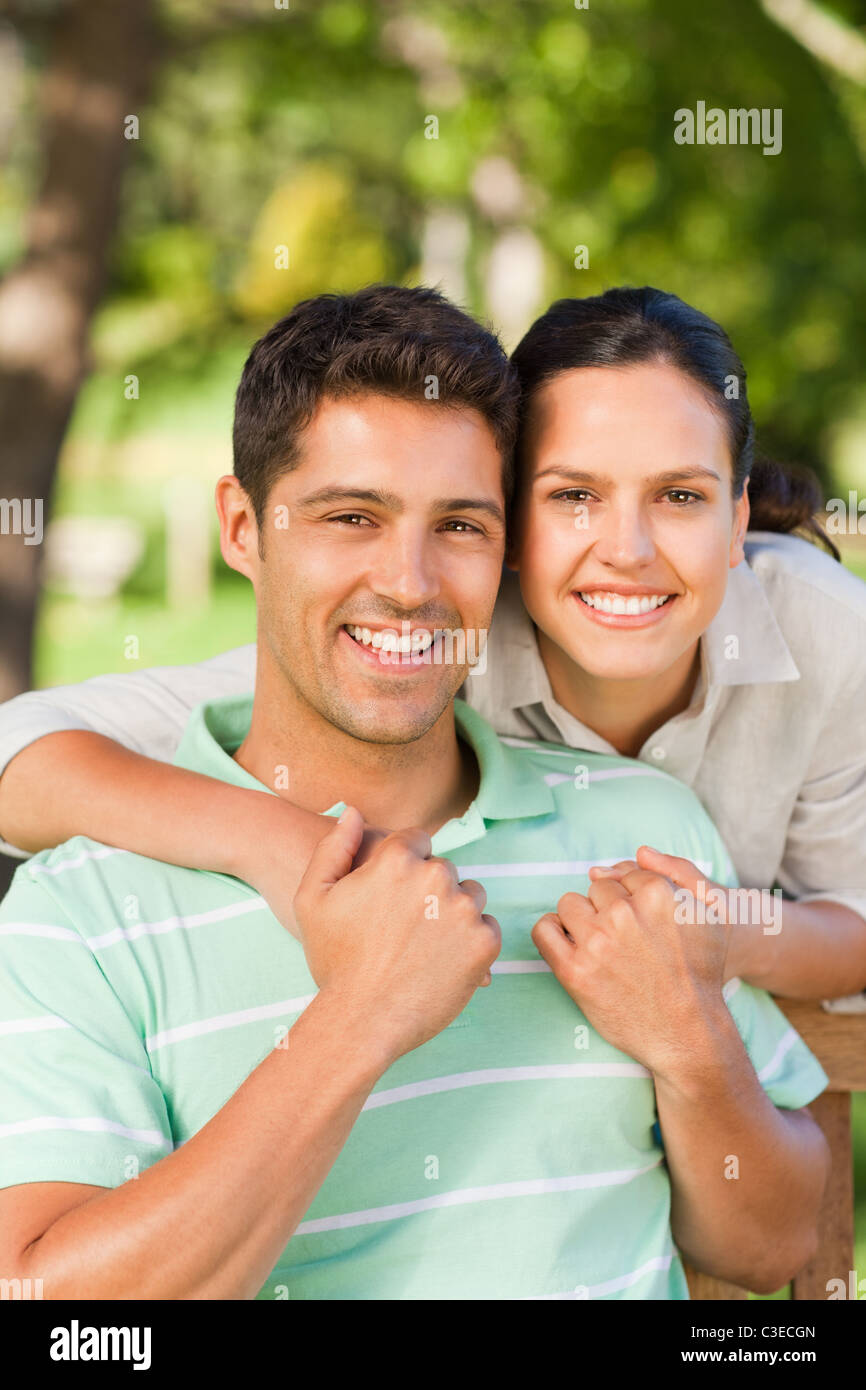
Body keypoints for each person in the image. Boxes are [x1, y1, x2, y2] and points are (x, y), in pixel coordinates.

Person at [0, 286, 829, 1299]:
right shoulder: (82, 912)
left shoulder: (644, 829)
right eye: (351, 516)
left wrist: (692, 1048)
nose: (407, 580)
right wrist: (357, 1020)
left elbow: (769, 1248)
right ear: (242, 526)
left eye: (459, 525)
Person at [1, 289, 864, 1002]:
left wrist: (728, 936)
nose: (628, 549)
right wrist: (275, 842)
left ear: (737, 517)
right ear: (510, 520)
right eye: (573, 496)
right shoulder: (429, 642)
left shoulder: (821, 630)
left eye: (680, 496)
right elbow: (21, 754)